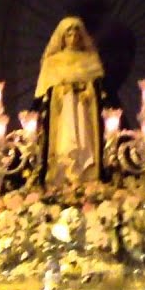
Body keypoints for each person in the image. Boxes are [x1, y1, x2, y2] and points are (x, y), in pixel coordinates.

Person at [33, 16, 110, 188]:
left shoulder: (90, 61)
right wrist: (62, 90)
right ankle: (61, 175)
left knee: (84, 143)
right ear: (62, 37)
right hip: (62, 113)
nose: (73, 38)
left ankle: (87, 177)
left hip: (84, 111)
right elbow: (44, 94)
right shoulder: (52, 63)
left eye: (77, 34)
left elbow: (100, 92)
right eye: (69, 34)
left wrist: (86, 90)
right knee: (64, 145)